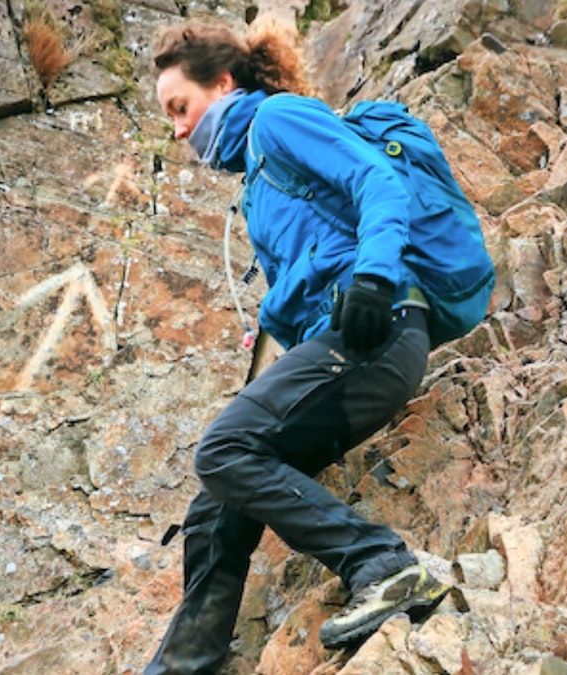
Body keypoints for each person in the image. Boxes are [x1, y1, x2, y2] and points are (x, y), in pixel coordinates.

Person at [145, 18, 465, 674]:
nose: (177, 129)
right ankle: (180, 666)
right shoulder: (256, 182)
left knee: (223, 448)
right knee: (216, 506)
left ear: (223, 82)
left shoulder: (278, 121)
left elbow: (376, 181)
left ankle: (384, 565)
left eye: (180, 107)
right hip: (344, 349)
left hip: (377, 330)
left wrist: (375, 275)